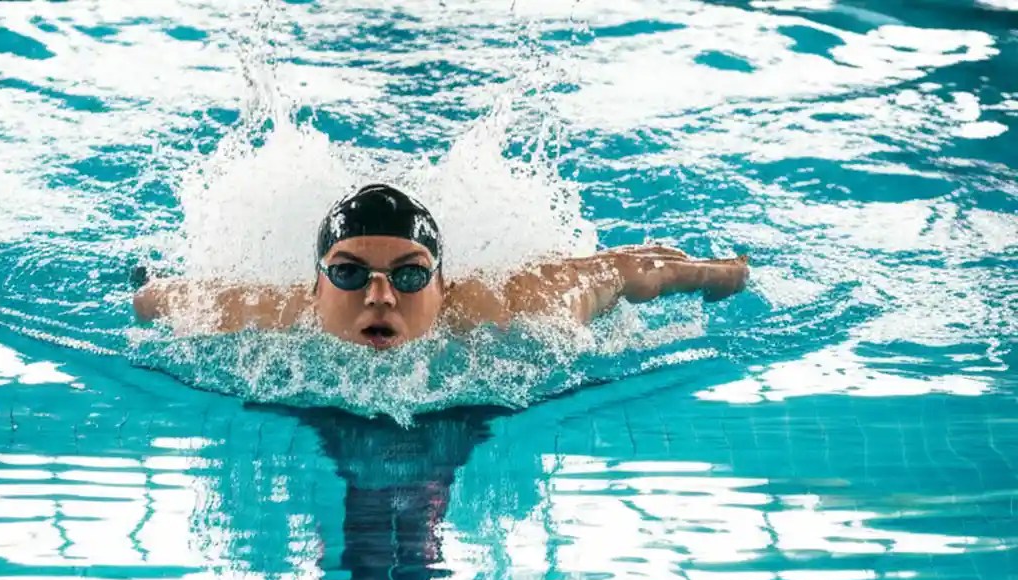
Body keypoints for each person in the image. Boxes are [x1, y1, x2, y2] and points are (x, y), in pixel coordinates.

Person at [133, 183, 750, 349]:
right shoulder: (261, 317)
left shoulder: (508, 312)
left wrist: (711, 275)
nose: (380, 296)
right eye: (348, 274)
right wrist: (139, 286)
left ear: (442, 285)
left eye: (408, 274)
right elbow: (160, 295)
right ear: (313, 287)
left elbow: (619, 271)